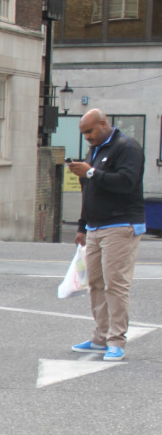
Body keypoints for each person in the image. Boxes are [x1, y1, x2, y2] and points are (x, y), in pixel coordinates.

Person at [67, 108, 145, 362]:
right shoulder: (96, 149)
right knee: (96, 284)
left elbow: (127, 182)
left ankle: (116, 341)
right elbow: (89, 190)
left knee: (116, 284)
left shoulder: (126, 147)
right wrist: (81, 226)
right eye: (83, 133)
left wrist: (90, 172)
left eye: (90, 131)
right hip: (95, 227)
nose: (87, 137)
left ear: (104, 123)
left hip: (121, 225)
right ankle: (101, 336)